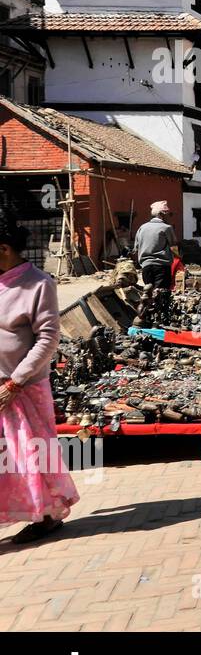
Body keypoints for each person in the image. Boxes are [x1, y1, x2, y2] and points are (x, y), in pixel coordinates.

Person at [0, 205, 79, 543]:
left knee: (32, 455)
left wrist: (16, 381)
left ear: (3, 249)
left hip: (24, 387)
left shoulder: (38, 284)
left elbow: (48, 337)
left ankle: (47, 516)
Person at [133, 200, 179, 291]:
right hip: (161, 267)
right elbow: (173, 248)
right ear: (162, 214)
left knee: (149, 294)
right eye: (167, 214)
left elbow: (135, 249)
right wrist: (179, 258)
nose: (169, 216)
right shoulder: (166, 228)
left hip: (146, 267)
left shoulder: (142, 227)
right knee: (161, 296)